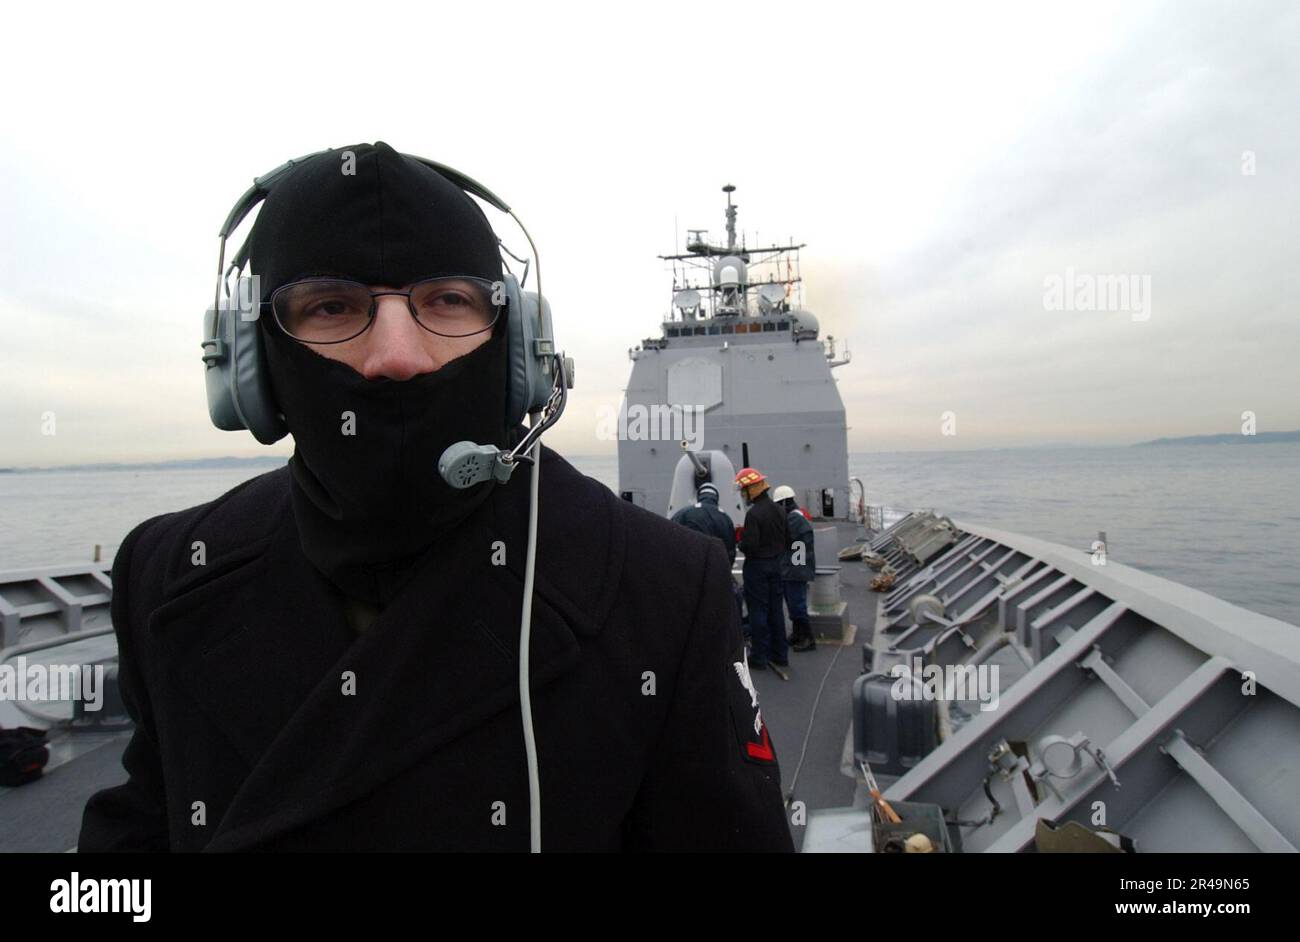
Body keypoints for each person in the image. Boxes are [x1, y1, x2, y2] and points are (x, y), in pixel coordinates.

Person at [78, 142, 793, 852]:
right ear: (250, 359)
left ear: (519, 347)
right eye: (332, 306)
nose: (398, 356)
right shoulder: (166, 575)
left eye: (446, 301)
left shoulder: (666, 593)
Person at [735, 467, 788, 671]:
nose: (742, 494)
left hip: (757, 567)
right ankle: (780, 655)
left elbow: (750, 545)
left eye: (744, 490)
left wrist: (740, 543)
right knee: (776, 610)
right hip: (776, 565)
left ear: (752, 489)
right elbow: (788, 539)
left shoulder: (754, 514)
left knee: (758, 611)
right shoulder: (780, 510)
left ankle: (759, 656)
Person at [772, 485, 817, 652]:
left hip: (795, 569)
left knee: (797, 604)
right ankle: (798, 633)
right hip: (794, 567)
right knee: (793, 604)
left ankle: (807, 638)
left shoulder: (793, 519)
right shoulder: (796, 516)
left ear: (784, 503)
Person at [670, 482, 737, 566]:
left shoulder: (684, 512)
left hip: (689, 562)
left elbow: (671, 532)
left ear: (699, 496)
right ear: (716, 498)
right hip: (713, 564)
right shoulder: (725, 518)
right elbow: (730, 548)